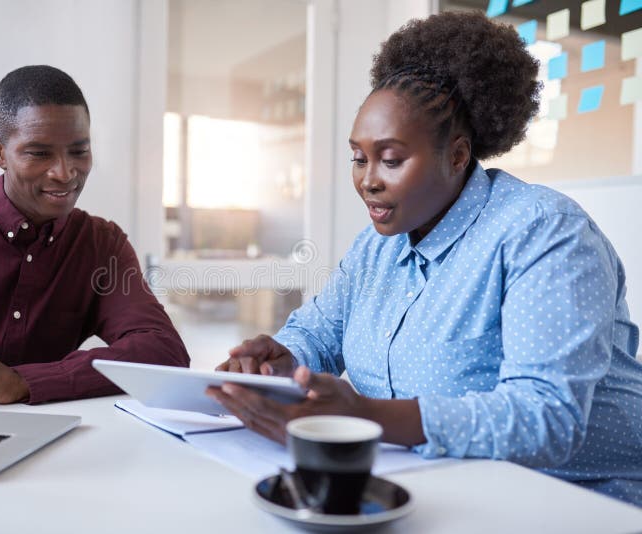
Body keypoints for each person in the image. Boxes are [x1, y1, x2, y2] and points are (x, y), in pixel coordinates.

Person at [208, 12, 642, 506]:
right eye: (359, 158)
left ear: (457, 156)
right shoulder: (376, 247)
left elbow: (545, 418)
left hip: (581, 498)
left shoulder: (544, 232)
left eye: (391, 160)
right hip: (437, 489)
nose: (368, 180)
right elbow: (319, 332)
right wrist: (282, 361)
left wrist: (366, 415)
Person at [0, 65, 190, 404]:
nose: (64, 173)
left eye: (79, 151)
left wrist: (21, 382)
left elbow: (163, 351)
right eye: (39, 153)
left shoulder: (102, 246)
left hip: (54, 430)